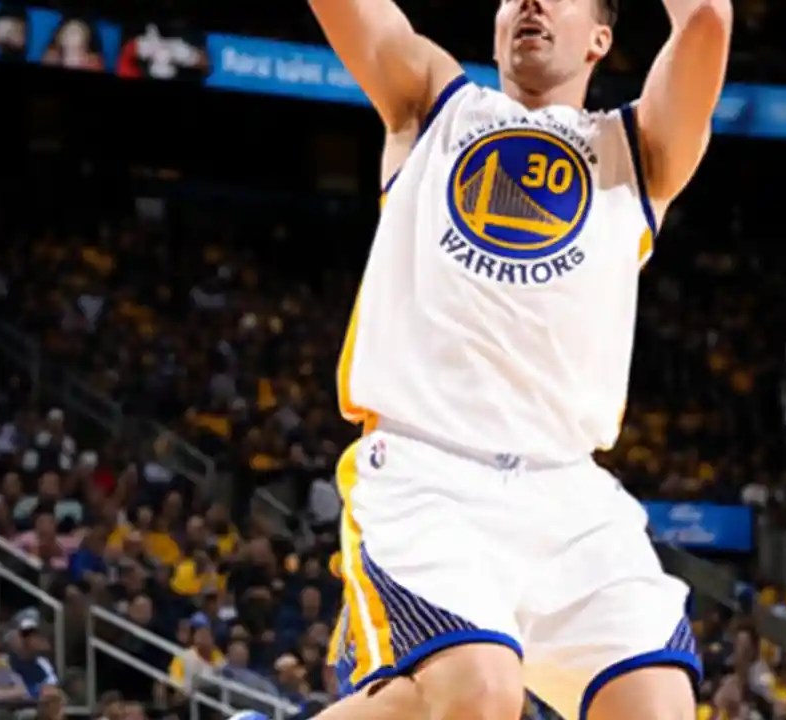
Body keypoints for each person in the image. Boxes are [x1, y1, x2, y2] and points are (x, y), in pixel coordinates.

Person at [308, 0, 732, 714]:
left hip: (568, 491)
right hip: (427, 471)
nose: (530, 0)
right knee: (481, 691)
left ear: (600, 38)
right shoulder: (432, 100)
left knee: (659, 708)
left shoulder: (641, 146)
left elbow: (707, 21)